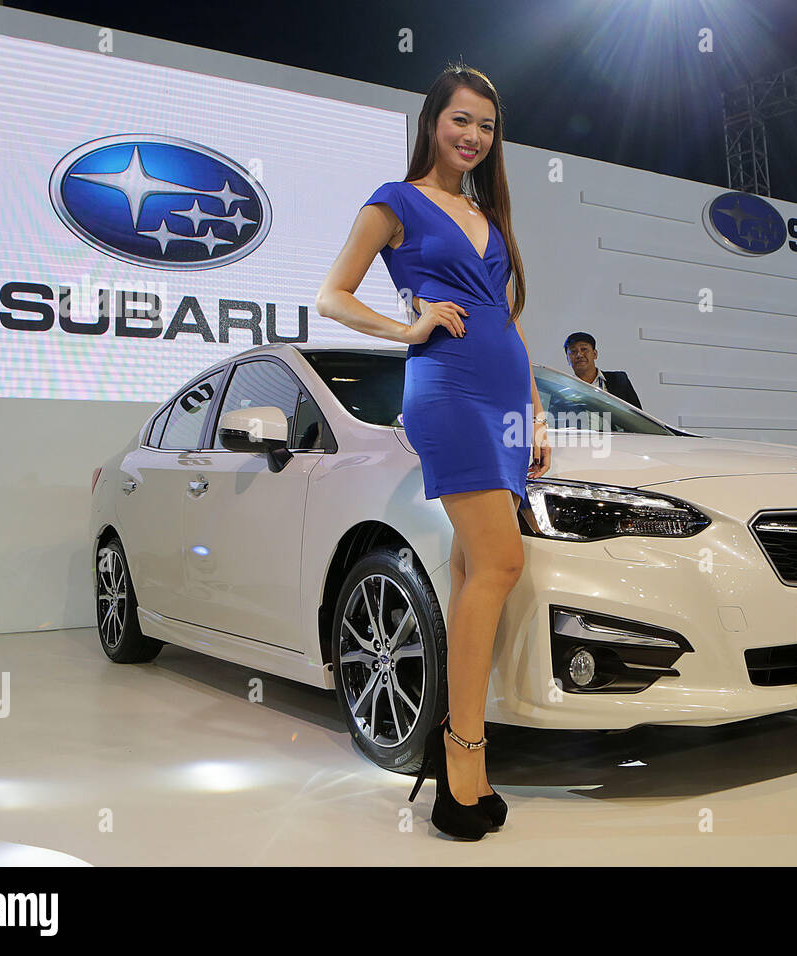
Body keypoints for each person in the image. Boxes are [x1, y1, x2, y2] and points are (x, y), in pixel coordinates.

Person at [315, 64, 552, 839]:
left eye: (485, 125)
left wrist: (538, 418)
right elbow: (333, 295)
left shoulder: (489, 212)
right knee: (502, 564)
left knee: (469, 572)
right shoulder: (396, 201)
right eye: (460, 120)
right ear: (432, 123)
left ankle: (462, 764)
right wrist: (407, 328)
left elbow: (507, 323)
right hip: (447, 393)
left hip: (506, 401)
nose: (473, 136)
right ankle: (460, 757)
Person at [564, 332, 643, 408]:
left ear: (594, 354)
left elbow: (638, 416)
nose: (579, 355)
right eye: (573, 351)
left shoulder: (619, 379)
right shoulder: (563, 388)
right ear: (568, 359)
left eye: (584, 349)